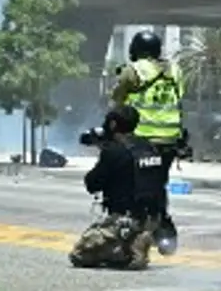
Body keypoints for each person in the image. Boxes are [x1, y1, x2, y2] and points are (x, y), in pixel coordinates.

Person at [110, 30, 185, 253]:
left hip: (141, 139)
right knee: (157, 184)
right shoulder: (175, 70)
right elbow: (178, 96)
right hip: (169, 140)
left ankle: (137, 228)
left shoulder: (132, 71)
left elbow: (117, 102)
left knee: (133, 185)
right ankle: (162, 225)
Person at [69, 106, 167, 271]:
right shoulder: (150, 148)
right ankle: (139, 238)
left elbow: (92, 184)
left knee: (79, 255)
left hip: (124, 219)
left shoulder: (114, 152)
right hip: (153, 219)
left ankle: (127, 249)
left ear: (113, 124)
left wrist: (105, 156)